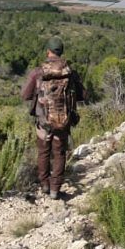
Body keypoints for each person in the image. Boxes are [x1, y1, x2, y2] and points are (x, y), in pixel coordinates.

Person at [20, 36, 85, 200]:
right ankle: (56, 190)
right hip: (63, 120)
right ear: (61, 52)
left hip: (43, 122)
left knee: (43, 152)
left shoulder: (38, 72)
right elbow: (83, 95)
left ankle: (45, 185)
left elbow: (25, 95)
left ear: (47, 52)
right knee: (60, 153)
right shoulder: (70, 72)